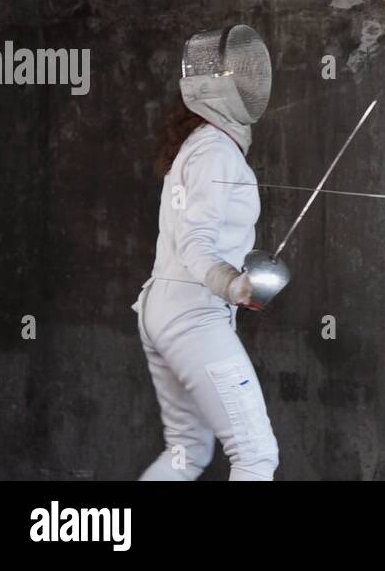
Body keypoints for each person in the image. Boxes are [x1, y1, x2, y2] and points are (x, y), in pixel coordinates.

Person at [132, 25, 279, 480]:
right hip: (192, 315)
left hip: (161, 308)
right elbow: (195, 244)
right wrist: (232, 284)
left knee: (187, 451)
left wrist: (235, 282)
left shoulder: (200, 147)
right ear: (219, 86)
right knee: (255, 456)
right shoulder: (215, 150)